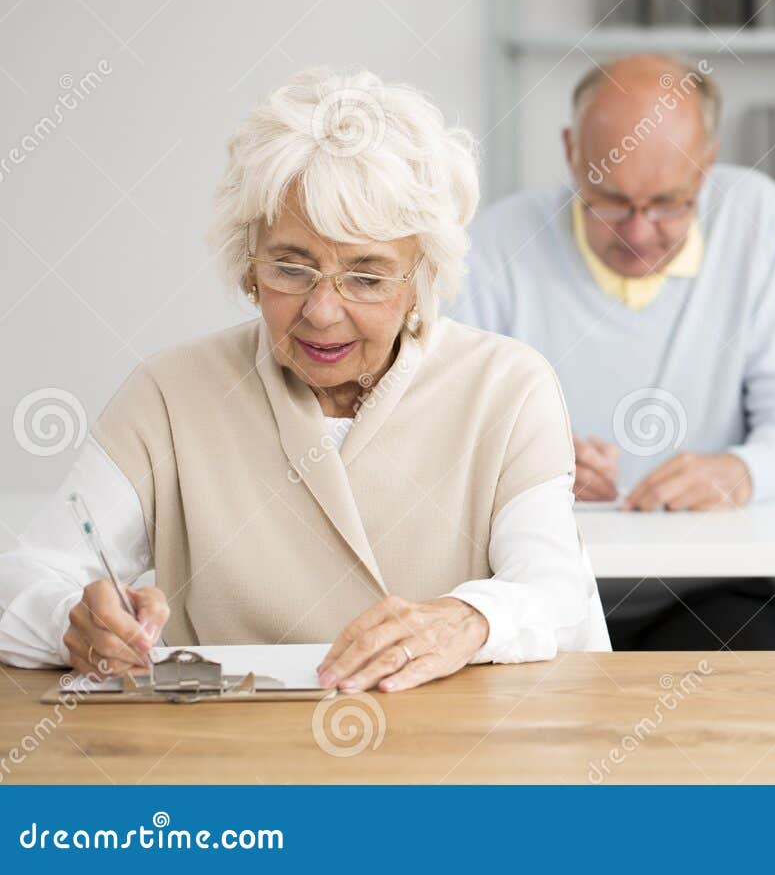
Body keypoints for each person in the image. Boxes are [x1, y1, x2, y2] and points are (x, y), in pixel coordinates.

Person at [0, 68, 609, 689]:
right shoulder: (171, 391)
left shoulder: (505, 387)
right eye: (291, 269)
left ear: (422, 281)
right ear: (248, 268)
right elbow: (25, 581)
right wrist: (70, 621)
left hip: (449, 759)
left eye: (366, 278)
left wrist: (468, 620)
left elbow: (554, 592)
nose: (321, 311)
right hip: (229, 764)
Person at [454, 53, 775, 650]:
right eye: (610, 201)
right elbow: (447, 438)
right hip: (533, 593)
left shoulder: (757, 221)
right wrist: (527, 472)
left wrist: (741, 471)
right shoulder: (496, 245)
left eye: (667, 204)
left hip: (708, 592)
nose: (637, 232)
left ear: (707, 163)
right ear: (572, 153)